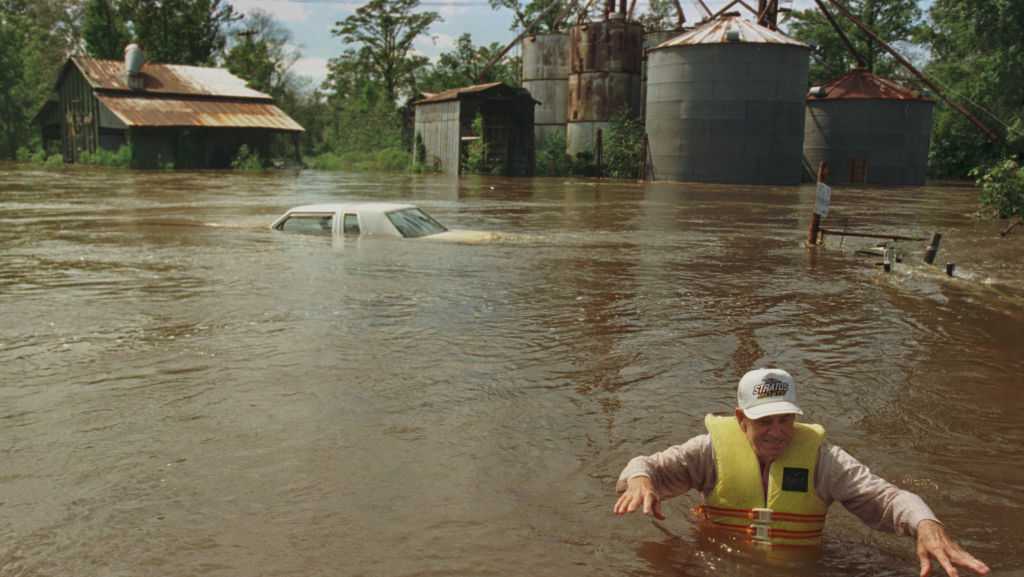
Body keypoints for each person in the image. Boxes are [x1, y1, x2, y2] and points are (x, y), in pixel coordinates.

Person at [613, 368, 990, 577]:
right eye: (765, 421)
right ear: (741, 418)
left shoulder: (825, 460)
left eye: (786, 419)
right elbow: (641, 466)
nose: (778, 431)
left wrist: (927, 523)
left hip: (800, 566)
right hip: (716, 563)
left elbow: (888, 498)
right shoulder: (707, 451)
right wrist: (641, 481)